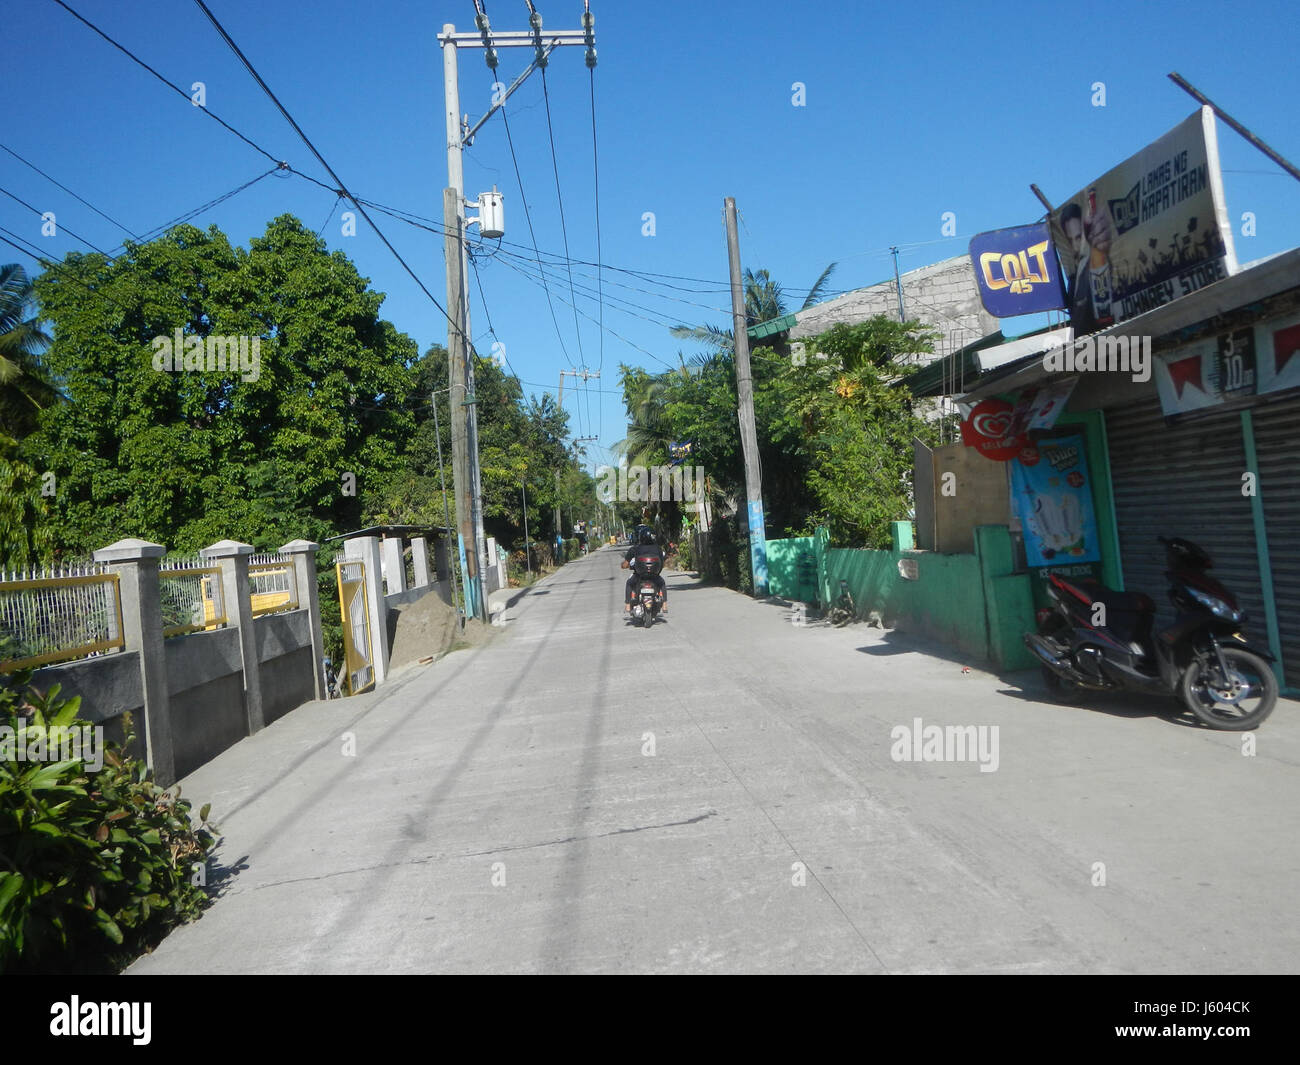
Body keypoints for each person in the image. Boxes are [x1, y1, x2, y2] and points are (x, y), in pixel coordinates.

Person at [621, 528, 667, 615]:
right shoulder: (658, 548)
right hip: (654, 576)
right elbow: (662, 562)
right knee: (662, 583)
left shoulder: (635, 548)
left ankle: (627, 605)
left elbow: (625, 564)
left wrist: (624, 566)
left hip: (639, 576)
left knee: (629, 583)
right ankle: (664, 605)